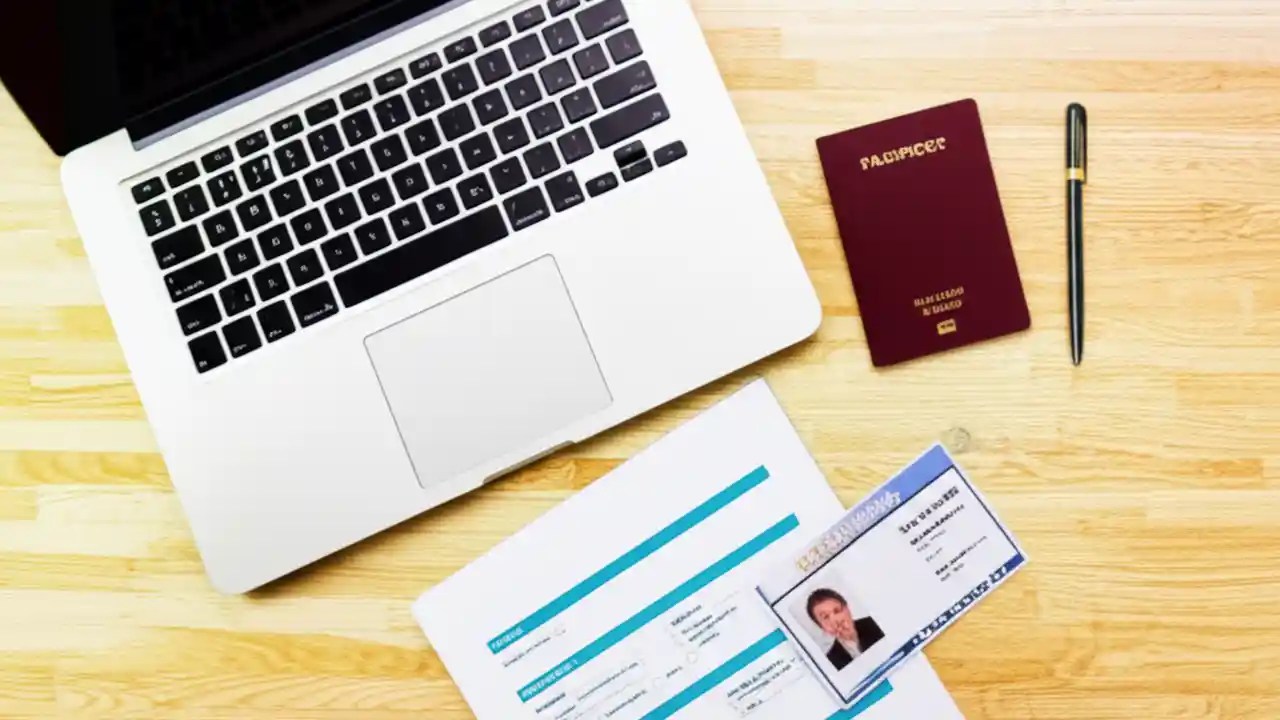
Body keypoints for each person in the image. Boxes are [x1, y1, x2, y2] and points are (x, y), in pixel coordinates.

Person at [805, 588, 884, 671]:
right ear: (821, 627)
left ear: (847, 609)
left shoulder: (875, 623)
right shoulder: (831, 661)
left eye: (837, 611)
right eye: (826, 617)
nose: (835, 620)